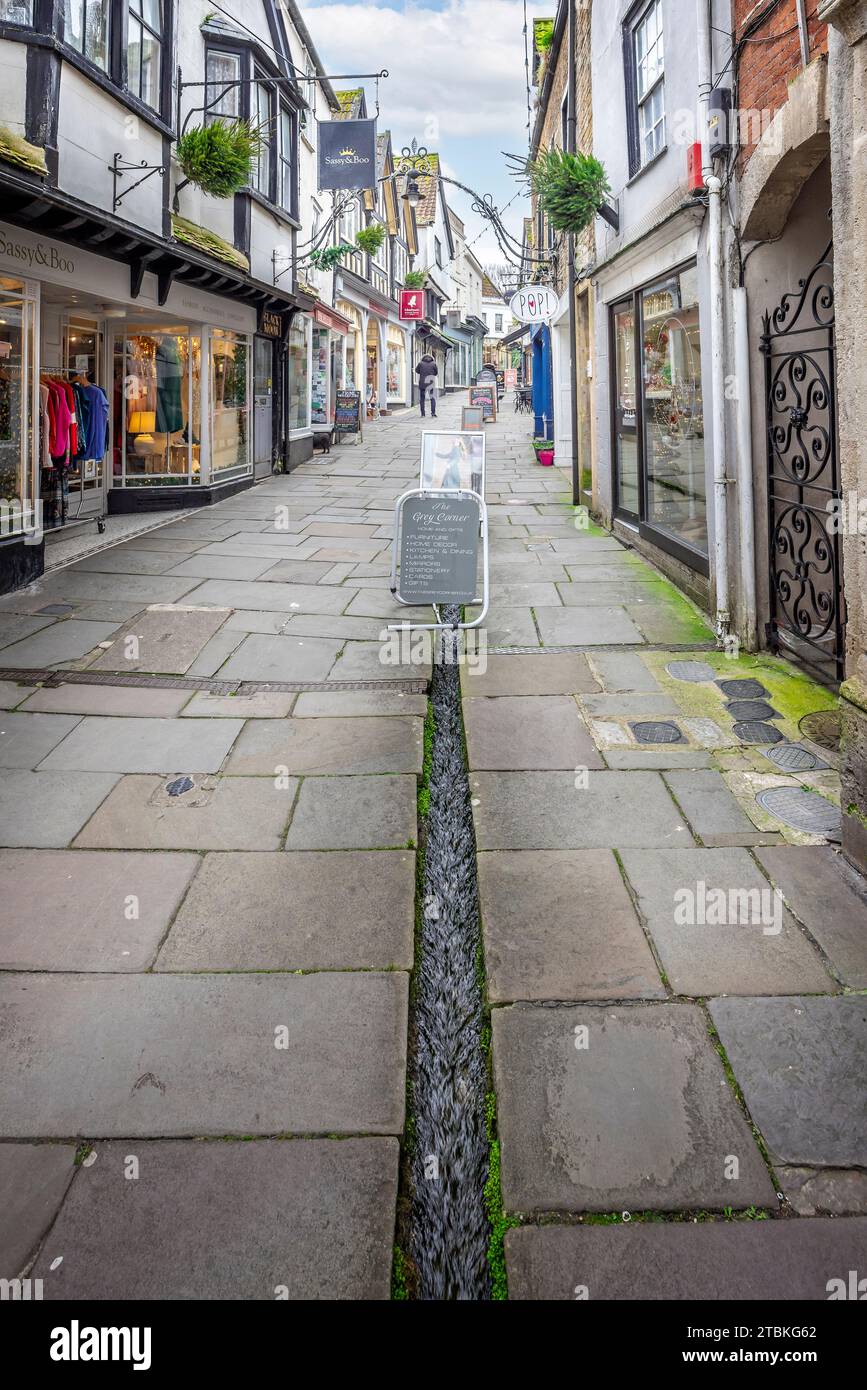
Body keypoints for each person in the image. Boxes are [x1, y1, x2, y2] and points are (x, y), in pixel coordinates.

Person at [415, 352, 438, 417]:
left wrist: (422, 371)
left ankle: (423, 414)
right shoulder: (434, 364)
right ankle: (433, 413)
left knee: (422, 399)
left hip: (422, 383)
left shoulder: (420, 363)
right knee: (432, 398)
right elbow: (436, 373)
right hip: (431, 383)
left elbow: (417, 371)